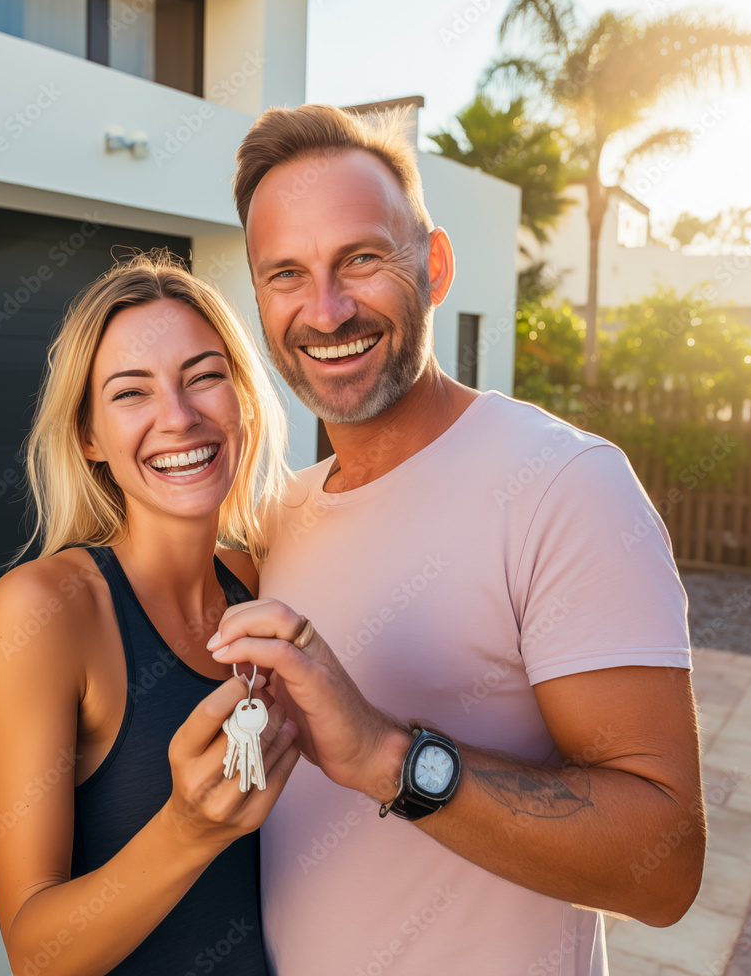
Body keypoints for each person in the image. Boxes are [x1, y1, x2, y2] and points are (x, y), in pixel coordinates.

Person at [205, 105, 705, 975]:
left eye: (361, 259)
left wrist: (386, 757)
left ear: (433, 266)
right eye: (286, 274)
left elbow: (663, 869)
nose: (326, 310)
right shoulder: (275, 519)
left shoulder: (563, 485)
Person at [0, 251, 300, 976]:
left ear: (243, 398)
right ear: (88, 436)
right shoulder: (45, 611)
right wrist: (188, 829)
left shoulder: (259, 580)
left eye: (204, 377)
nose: (178, 418)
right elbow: (33, 954)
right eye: (131, 393)